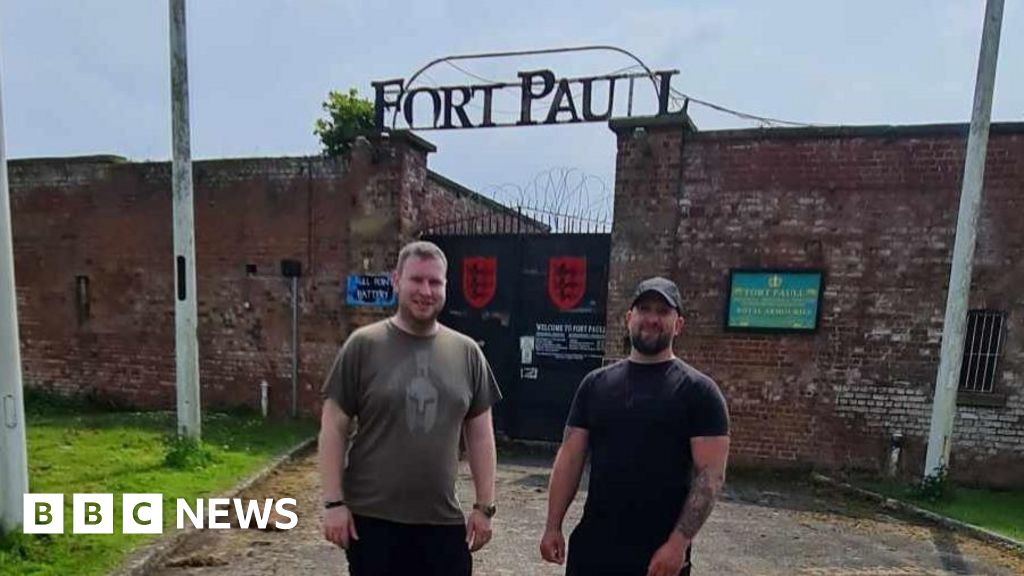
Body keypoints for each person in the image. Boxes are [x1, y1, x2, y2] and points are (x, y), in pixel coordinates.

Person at [319, 240, 502, 576]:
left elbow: (480, 436)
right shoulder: (363, 345)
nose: (426, 290)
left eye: (435, 282)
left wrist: (484, 507)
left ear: (446, 286)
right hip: (373, 522)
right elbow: (333, 426)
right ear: (396, 280)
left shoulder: (467, 353)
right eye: (416, 280)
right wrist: (333, 503)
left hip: (442, 521)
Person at [540, 276, 730, 576]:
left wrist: (678, 544)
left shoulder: (699, 392)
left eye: (663, 312)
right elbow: (570, 457)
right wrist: (553, 525)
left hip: (657, 557)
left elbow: (710, 477)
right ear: (629, 319)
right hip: (594, 550)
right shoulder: (595, 385)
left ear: (678, 324)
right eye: (644, 309)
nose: (652, 319)